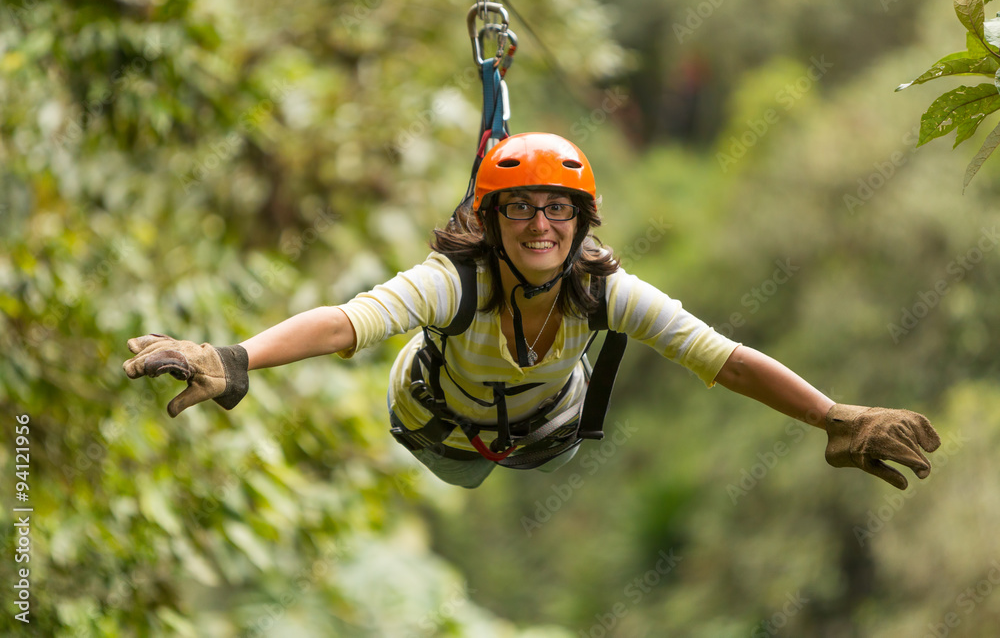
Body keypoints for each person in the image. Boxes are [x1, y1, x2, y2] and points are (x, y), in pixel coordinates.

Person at [123, 132, 941, 490]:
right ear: (490, 220)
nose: (541, 225)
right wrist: (233, 357)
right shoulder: (455, 282)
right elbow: (350, 320)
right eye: (520, 209)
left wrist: (833, 416)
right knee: (464, 465)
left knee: (538, 446)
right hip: (437, 430)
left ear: (583, 222)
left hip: (549, 437)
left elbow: (718, 356)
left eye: (558, 209)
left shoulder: (603, 289)